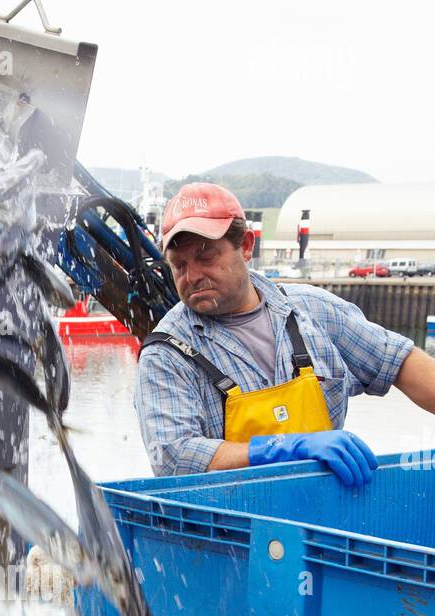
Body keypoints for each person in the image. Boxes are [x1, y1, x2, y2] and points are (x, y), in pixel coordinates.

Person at [135, 183, 435, 484]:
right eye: (179, 265)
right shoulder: (166, 354)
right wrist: (284, 449)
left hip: (326, 517)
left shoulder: (313, 310)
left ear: (247, 245)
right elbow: (175, 457)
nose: (193, 276)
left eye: (206, 257)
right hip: (233, 527)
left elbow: (398, 362)